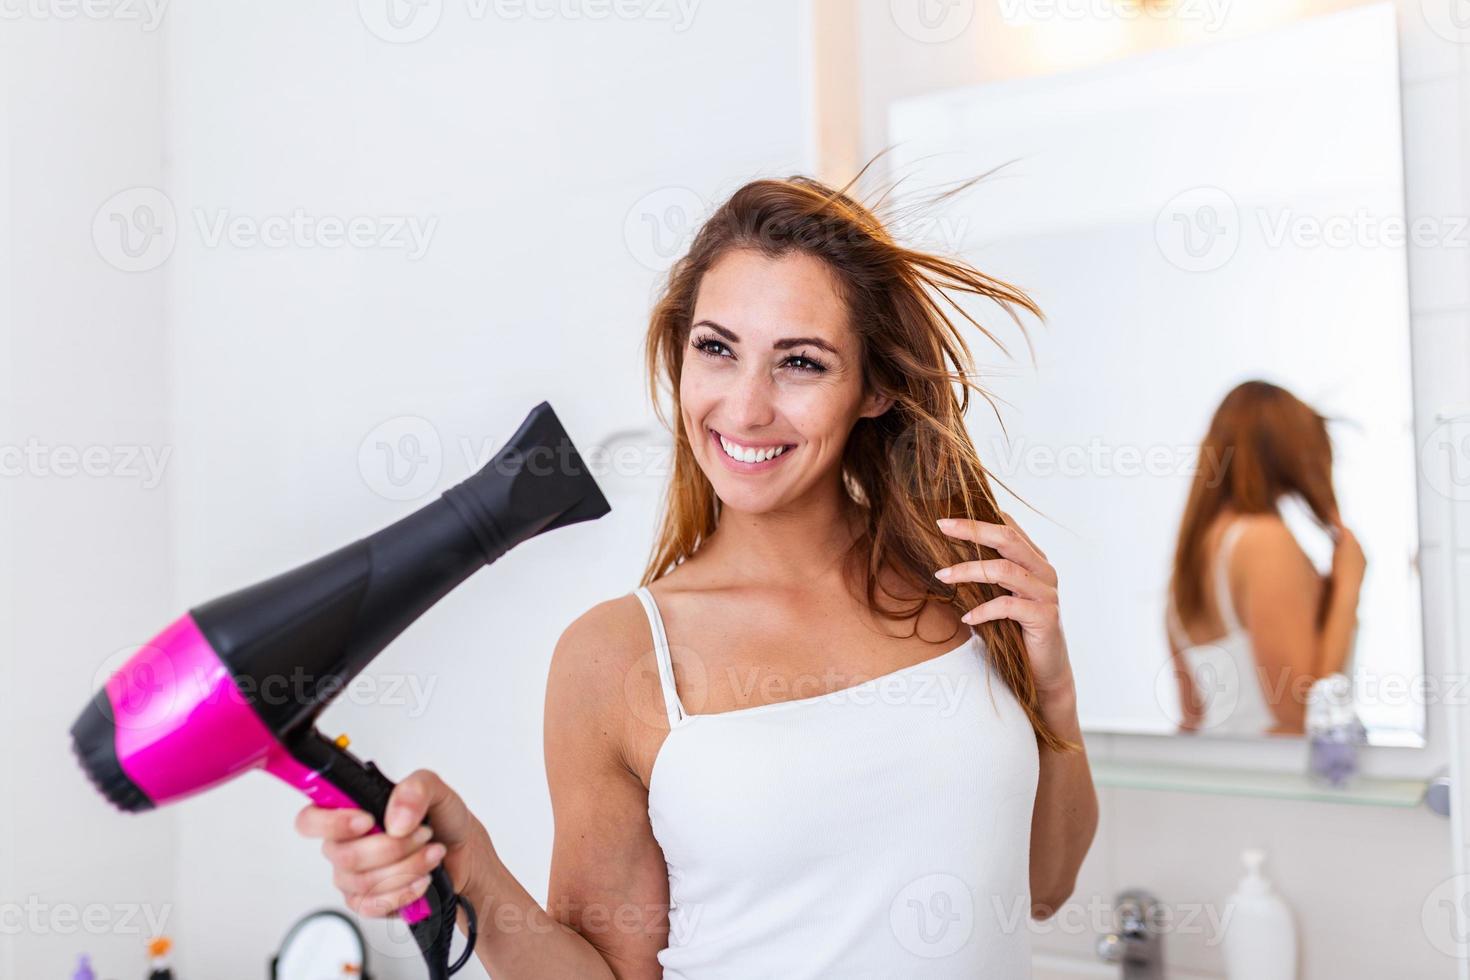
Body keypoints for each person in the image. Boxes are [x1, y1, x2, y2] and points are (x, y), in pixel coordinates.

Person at [296, 166, 1099, 978]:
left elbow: (1044, 883)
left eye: (802, 363)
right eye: (717, 350)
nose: (745, 409)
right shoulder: (619, 658)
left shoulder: (964, 589)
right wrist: (474, 877)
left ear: (876, 388)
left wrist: (1054, 689)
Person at [1166, 380, 1367, 736]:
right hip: (1283, 787)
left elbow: (1192, 718)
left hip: (1236, 783)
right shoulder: (1264, 541)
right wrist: (1348, 589)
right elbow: (1301, 714)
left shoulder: (1192, 559)